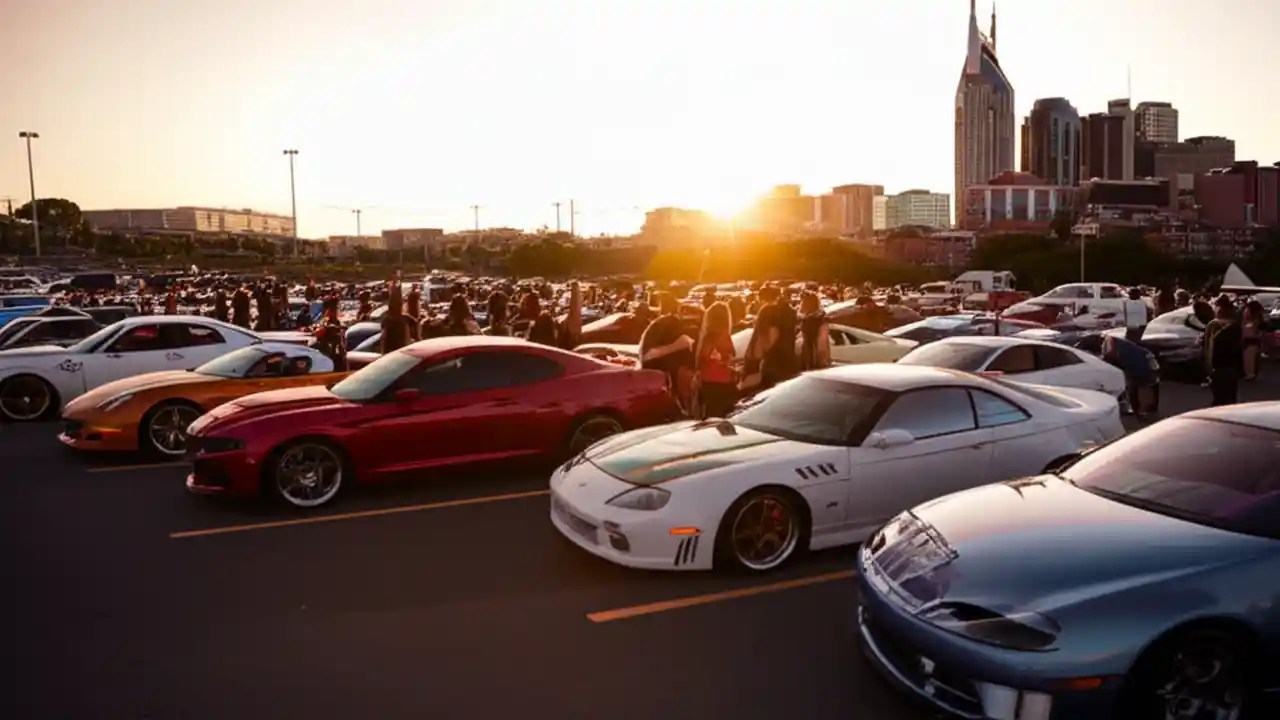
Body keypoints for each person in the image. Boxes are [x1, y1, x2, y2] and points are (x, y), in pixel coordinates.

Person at [638, 292, 695, 412]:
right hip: (664, 372)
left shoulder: (659, 324)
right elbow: (684, 343)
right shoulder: (671, 322)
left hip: (653, 372)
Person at [1102, 334, 1159, 419]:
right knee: (1137, 387)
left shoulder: (1112, 343)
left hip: (1139, 366)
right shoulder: (1113, 341)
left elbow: (1111, 355)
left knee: (1139, 386)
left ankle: (1142, 411)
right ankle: (1141, 411)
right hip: (1140, 364)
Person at [695, 301, 737, 418]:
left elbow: (703, 357)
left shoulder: (708, 337)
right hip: (723, 382)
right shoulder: (724, 335)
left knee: (711, 417)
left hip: (709, 382)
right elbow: (730, 356)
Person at [1203, 295, 1243, 406]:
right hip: (1232, 367)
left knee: (1219, 398)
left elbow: (1209, 347)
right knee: (1230, 397)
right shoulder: (1235, 325)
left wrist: (1208, 367)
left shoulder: (1213, 325)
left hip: (1218, 366)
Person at [797, 291, 831, 371]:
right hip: (815, 356)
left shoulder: (804, 319)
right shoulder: (821, 318)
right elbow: (822, 343)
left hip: (808, 355)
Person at [313, 296, 348, 371]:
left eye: (336, 308)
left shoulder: (337, 321)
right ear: (328, 309)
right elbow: (321, 329)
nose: (336, 310)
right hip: (328, 355)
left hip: (338, 354)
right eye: (333, 308)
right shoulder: (325, 320)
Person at [1242, 299, 1265, 380]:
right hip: (1255, 338)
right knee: (1253, 356)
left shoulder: (1250, 320)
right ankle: (1252, 372)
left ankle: (1249, 373)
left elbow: (1247, 325)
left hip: (1249, 338)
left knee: (1248, 357)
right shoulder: (1258, 318)